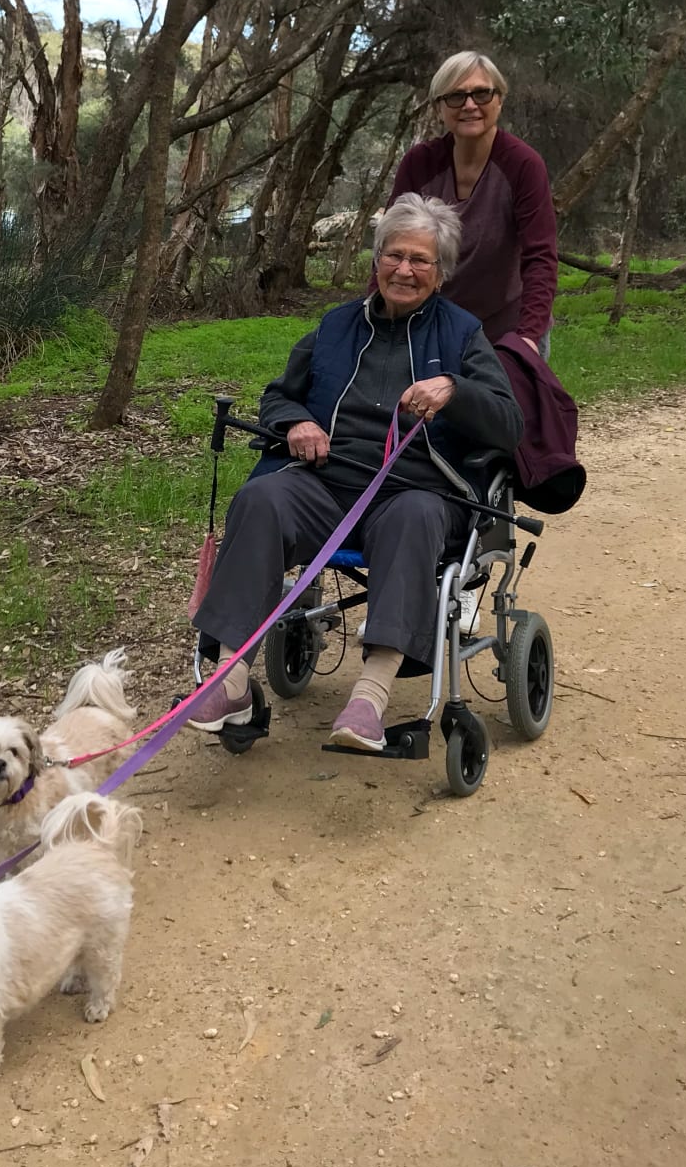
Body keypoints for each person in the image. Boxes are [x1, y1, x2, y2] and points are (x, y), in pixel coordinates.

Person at [187, 195, 523, 752]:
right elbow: (277, 397)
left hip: (415, 488)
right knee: (262, 499)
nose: (405, 270)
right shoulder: (338, 325)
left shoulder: (462, 334)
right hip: (326, 483)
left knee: (414, 517)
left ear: (440, 274)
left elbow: (508, 424)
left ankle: (369, 698)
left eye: (421, 260)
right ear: (377, 261)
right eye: (394, 255)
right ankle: (232, 680)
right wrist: (295, 421)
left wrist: (456, 392)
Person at [388, 52, 557, 357]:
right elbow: (388, 248)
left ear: (499, 100)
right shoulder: (419, 163)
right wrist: (378, 315)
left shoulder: (524, 165)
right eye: (455, 96)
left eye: (481, 93)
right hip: (431, 327)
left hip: (509, 329)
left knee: (509, 406)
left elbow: (540, 258)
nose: (469, 105)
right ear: (439, 106)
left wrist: (528, 337)